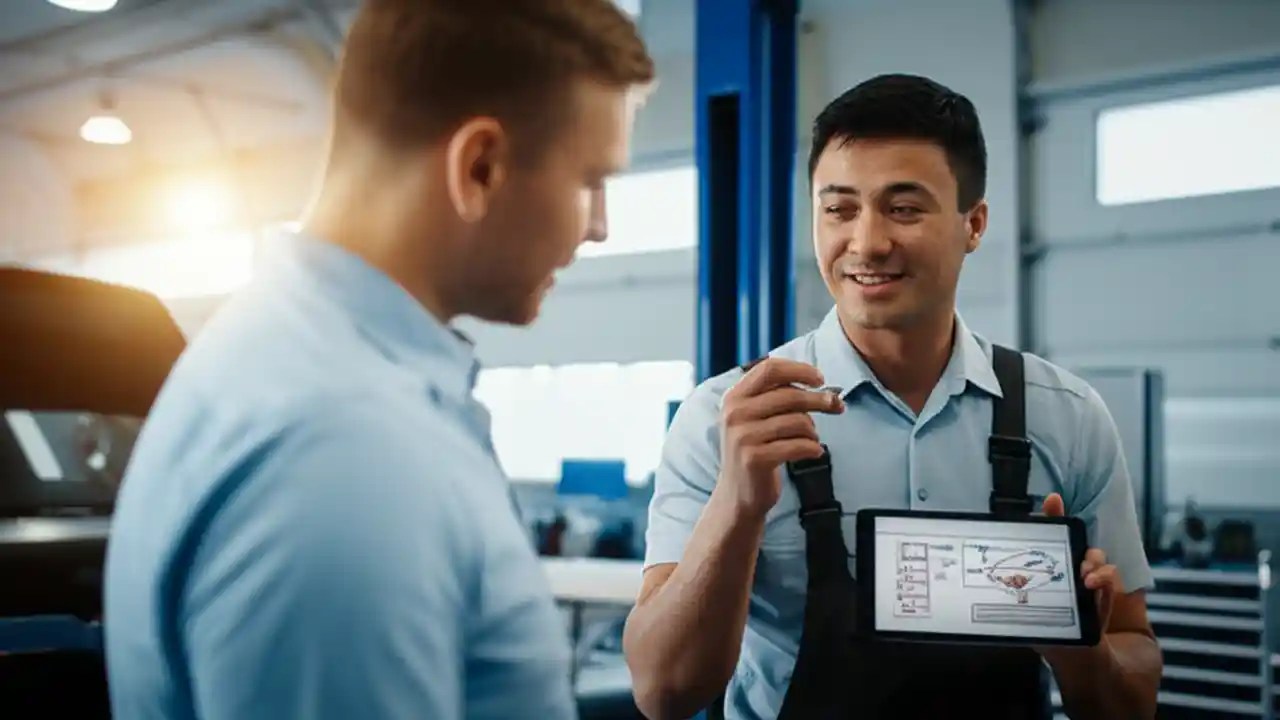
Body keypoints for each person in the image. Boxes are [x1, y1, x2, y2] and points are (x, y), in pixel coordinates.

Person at [102, 1, 654, 718]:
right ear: (479, 166)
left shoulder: (291, 360)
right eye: (590, 182)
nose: (601, 227)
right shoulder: (343, 448)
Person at [622, 74, 1163, 720]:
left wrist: (1080, 648)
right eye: (839, 208)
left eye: (904, 208)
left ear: (975, 224)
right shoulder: (724, 419)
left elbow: (1132, 699)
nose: (868, 242)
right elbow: (662, 692)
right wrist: (737, 506)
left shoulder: (1067, 419)